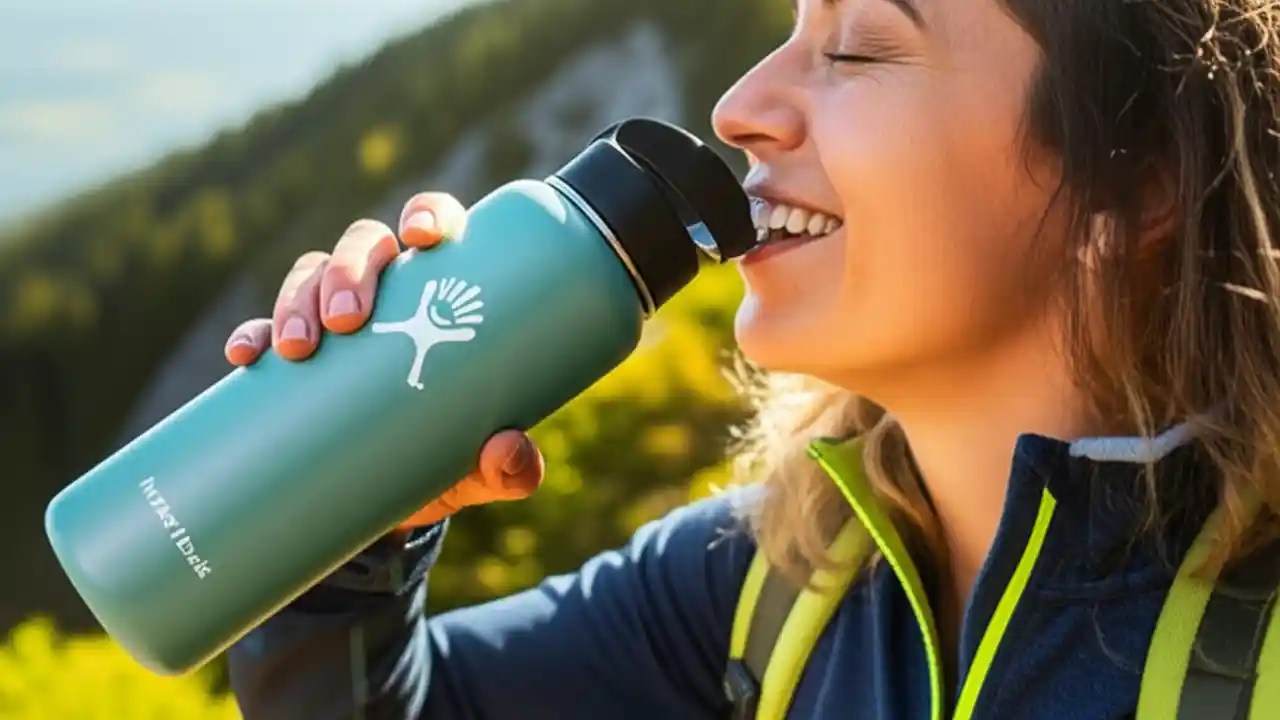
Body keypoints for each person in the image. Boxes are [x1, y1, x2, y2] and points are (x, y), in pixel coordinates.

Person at [223, 0, 1280, 717]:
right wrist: (351, 511)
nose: (737, 106)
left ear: (1132, 187)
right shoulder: (765, 582)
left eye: (859, 47)